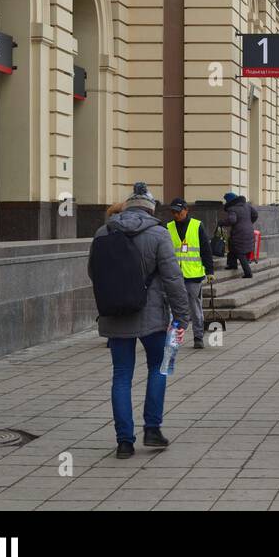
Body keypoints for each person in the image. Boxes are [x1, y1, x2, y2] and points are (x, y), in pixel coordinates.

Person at [93, 182, 190, 459]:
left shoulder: (103, 231)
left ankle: (124, 441)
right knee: (159, 368)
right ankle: (152, 429)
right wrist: (182, 317)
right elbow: (173, 280)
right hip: (154, 318)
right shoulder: (159, 234)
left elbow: (94, 272)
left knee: (121, 376)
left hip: (116, 314)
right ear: (151, 208)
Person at [167, 198, 213, 349]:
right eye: (173, 212)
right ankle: (174, 337)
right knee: (173, 307)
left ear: (186, 210)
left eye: (178, 211)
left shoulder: (197, 225)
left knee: (194, 307)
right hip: (175, 275)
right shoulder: (169, 227)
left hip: (193, 275)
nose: (176, 214)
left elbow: (206, 249)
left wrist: (210, 270)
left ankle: (198, 337)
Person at [217, 192, 258, 279]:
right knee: (232, 246)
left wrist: (222, 222)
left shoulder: (232, 208)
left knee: (240, 253)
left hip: (239, 232)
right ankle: (232, 264)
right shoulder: (247, 205)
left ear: (229, 201)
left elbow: (232, 220)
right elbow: (255, 214)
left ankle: (248, 273)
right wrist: (249, 222)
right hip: (249, 231)